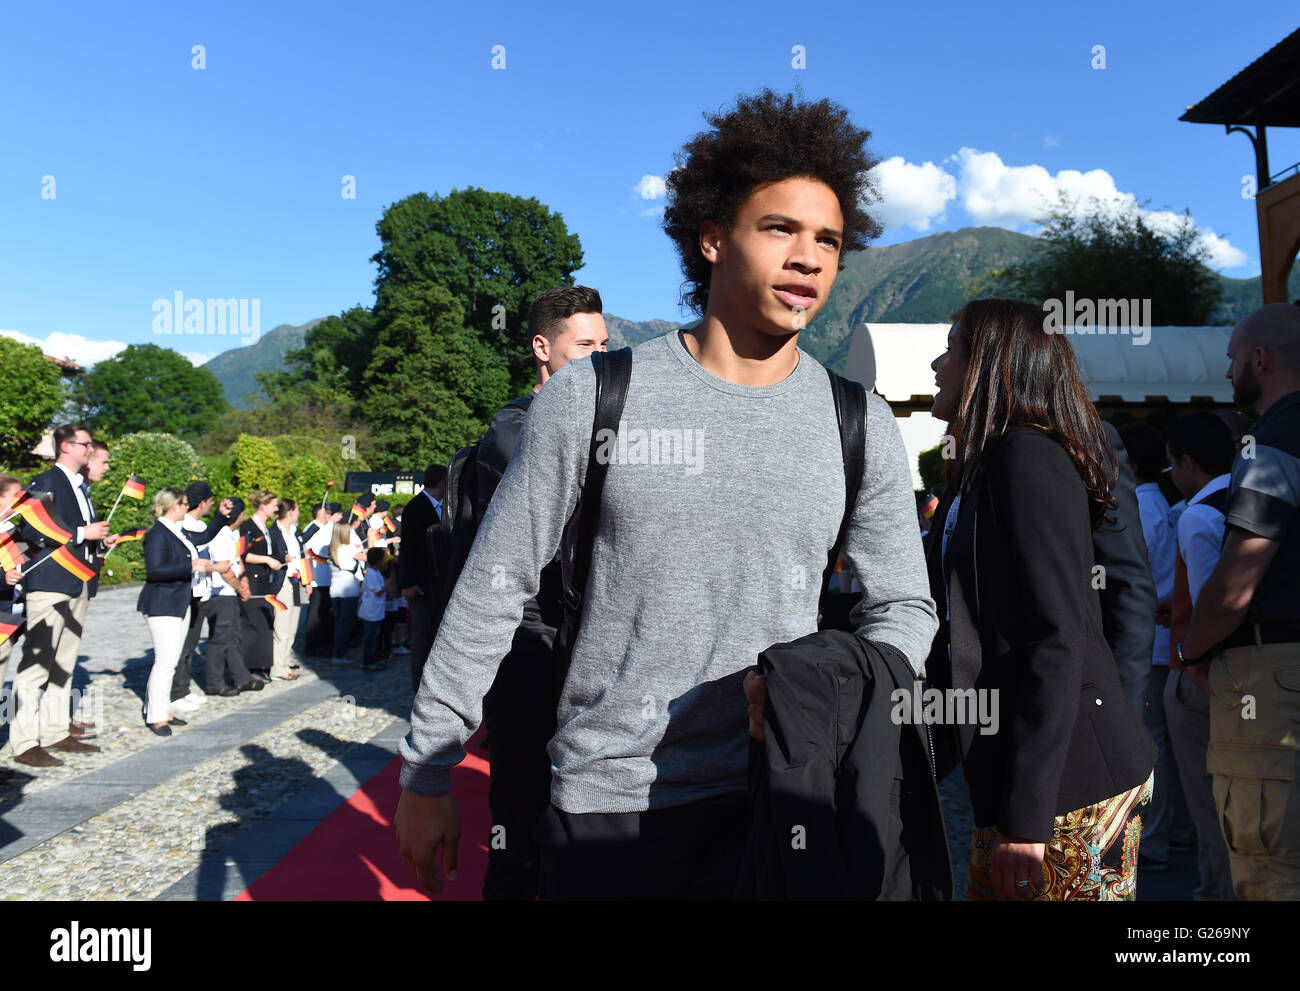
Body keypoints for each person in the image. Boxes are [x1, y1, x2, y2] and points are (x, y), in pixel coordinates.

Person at [396, 89, 937, 899]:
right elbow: (494, 585)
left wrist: (828, 682)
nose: (810, 258)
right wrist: (428, 769)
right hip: (609, 807)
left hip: (782, 804)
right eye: (781, 228)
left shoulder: (857, 421)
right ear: (713, 238)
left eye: (828, 239)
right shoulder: (593, 397)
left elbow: (906, 608)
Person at [923, 297, 1156, 900]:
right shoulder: (980, 465)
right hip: (1016, 775)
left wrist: (1027, 816)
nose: (936, 364)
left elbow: (1057, 637)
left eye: (952, 348)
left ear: (990, 364)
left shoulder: (1027, 456)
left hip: (1064, 785)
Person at [477, 284, 609, 900]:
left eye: (606, 345)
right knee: (520, 813)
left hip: (588, 641)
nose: (600, 357)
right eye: (585, 345)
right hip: (527, 646)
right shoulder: (512, 429)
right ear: (542, 348)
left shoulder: (606, 422)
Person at [1181, 302, 1300, 900]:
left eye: (1233, 360)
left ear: (1260, 359)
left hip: (1271, 677)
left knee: (1269, 863)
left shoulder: (1270, 439)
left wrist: (1193, 649)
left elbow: (1235, 582)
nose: (1229, 375)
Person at [1162, 412, 1236, 901]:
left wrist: (1190, 659)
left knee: (1210, 800)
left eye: (1174, 468)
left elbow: (1214, 601)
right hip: (1247, 671)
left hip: (1203, 675)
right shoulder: (1248, 497)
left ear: (1187, 463)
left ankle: (1217, 897)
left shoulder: (1198, 513)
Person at [10, 424, 110, 768]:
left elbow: (76, 533)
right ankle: (24, 741)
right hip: (50, 581)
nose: (89, 450)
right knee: (36, 665)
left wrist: (97, 540)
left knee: (63, 664)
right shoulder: (47, 481)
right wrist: (84, 532)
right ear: (67, 447)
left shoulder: (78, 486)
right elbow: (29, 525)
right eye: (85, 444)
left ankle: (53, 730)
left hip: (75, 581)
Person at [1119, 422, 1188, 871]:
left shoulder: (1140, 507)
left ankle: (1156, 838)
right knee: (1169, 744)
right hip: (1163, 638)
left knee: (1154, 743)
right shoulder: (1157, 502)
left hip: (1153, 639)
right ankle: (1173, 832)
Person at [138, 488, 226, 735]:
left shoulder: (176, 531)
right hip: (162, 603)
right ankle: (156, 717)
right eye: (185, 504)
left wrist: (220, 516)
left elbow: (204, 537)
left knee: (171, 660)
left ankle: (161, 709)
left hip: (178, 602)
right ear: (174, 506)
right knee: (164, 661)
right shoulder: (157, 533)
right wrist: (191, 565)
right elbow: (155, 570)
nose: (187, 508)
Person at [173, 482, 235, 712]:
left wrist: (221, 516)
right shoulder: (182, 525)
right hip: (188, 591)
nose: (211, 504)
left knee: (190, 643)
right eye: (210, 501)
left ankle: (184, 688)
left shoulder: (199, 524)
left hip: (202, 591)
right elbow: (199, 542)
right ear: (202, 502)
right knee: (183, 645)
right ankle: (176, 692)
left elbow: (207, 534)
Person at [203, 497, 259, 695]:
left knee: (234, 637)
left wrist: (243, 582)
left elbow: (236, 562)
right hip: (221, 592)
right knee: (220, 640)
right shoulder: (220, 535)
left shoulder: (232, 534)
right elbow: (224, 568)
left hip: (231, 591)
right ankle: (214, 683)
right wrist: (239, 586)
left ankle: (241, 677)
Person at [398, 467, 444, 689]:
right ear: (441, 482)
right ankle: (419, 689)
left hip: (436, 584)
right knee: (421, 639)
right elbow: (407, 549)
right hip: (419, 585)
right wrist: (406, 584)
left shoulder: (442, 507)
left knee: (434, 638)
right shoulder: (416, 507)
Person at [238, 491, 285, 683]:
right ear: (263, 506)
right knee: (253, 624)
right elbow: (242, 554)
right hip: (252, 579)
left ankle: (262, 664)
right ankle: (249, 666)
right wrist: (266, 559)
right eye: (274, 505)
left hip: (266, 580)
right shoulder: (248, 527)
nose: (276, 509)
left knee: (266, 622)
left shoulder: (268, 528)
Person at [271, 499, 306, 681]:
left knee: (292, 626)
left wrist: (308, 581)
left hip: (296, 581)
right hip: (282, 582)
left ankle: (285, 661)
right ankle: (277, 667)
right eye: (297, 509)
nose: (299, 513)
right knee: (281, 627)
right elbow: (270, 555)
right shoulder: (273, 532)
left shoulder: (295, 532)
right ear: (291, 511)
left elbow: (302, 556)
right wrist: (282, 557)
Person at [327, 511, 365, 665]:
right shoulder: (349, 550)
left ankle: (337, 652)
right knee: (346, 624)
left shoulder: (332, 549)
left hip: (335, 589)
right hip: (349, 590)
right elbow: (368, 557)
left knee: (339, 624)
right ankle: (340, 654)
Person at [358, 547, 389, 671]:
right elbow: (378, 591)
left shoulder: (375, 572)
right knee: (370, 638)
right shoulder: (371, 574)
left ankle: (372, 660)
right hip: (371, 612)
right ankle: (368, 662)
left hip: (376, 611)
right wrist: (390, 582)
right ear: (378, 561)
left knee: (374, 637)